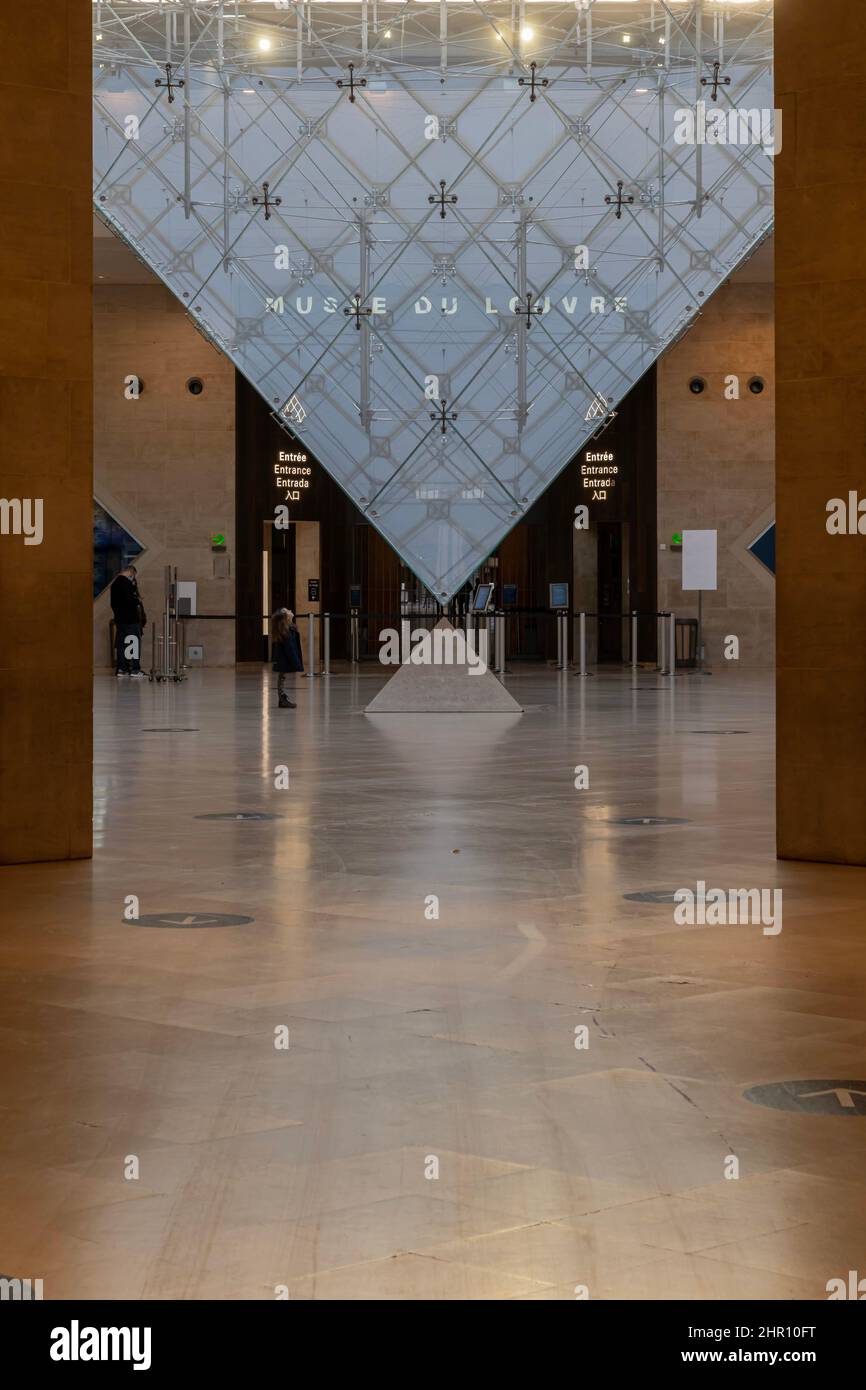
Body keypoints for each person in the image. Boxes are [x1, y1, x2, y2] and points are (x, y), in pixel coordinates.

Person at [111, 564, 147, 678]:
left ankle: (122, 668)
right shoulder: (126, 583)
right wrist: (137, 600)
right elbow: (130, 600)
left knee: (122, 644)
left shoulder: (115, 583)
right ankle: (135, 669)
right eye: (134, 575)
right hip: (130, 619)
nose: (134, 578)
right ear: (131, 572)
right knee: (134, 642)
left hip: (120, 619)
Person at [271, 607, 303, 708]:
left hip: (283, 660)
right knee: (282, 677)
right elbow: (290, 649)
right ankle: (282, 698)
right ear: (286, 617)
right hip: (284, 660)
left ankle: (282, 697)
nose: (290, 611)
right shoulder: (286, 632)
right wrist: (296, 663)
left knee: (282, 677)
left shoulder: (288, 629)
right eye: (288, 611)